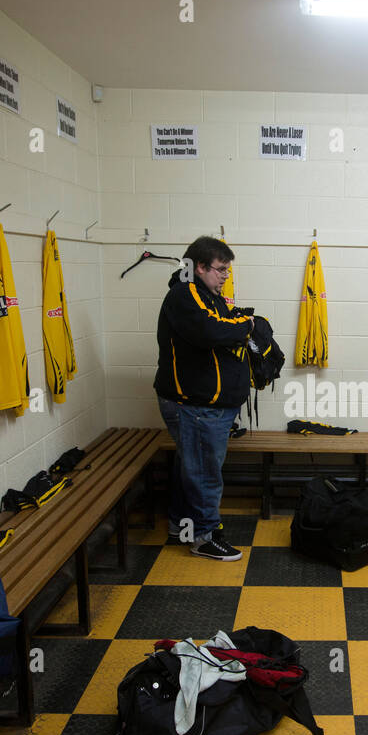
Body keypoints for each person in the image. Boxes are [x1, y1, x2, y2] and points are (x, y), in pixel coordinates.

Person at [153, 236, 254, 560]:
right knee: (204, 474)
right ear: (199, 266)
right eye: (220, 269)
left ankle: (181, 526)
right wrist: (248, 324)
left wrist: (239, 323)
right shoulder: (186, 294)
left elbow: (224, 324)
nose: (225, 275)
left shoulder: (206, 294)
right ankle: (203, 537)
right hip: (194, 405)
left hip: (203, 405)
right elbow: (214, 331)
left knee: (191, 467)